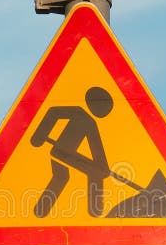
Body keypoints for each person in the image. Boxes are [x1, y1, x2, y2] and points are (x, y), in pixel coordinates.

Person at [30, 86, 114, 217]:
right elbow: (53, 112)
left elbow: (97, 150)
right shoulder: (78, 112)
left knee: (68, 176)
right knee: (66, 176)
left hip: (67, 155)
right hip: (60, 152)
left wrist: (104, 168)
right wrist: (39, 136)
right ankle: (94, 210)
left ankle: (94, 211)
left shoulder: (91, 123)